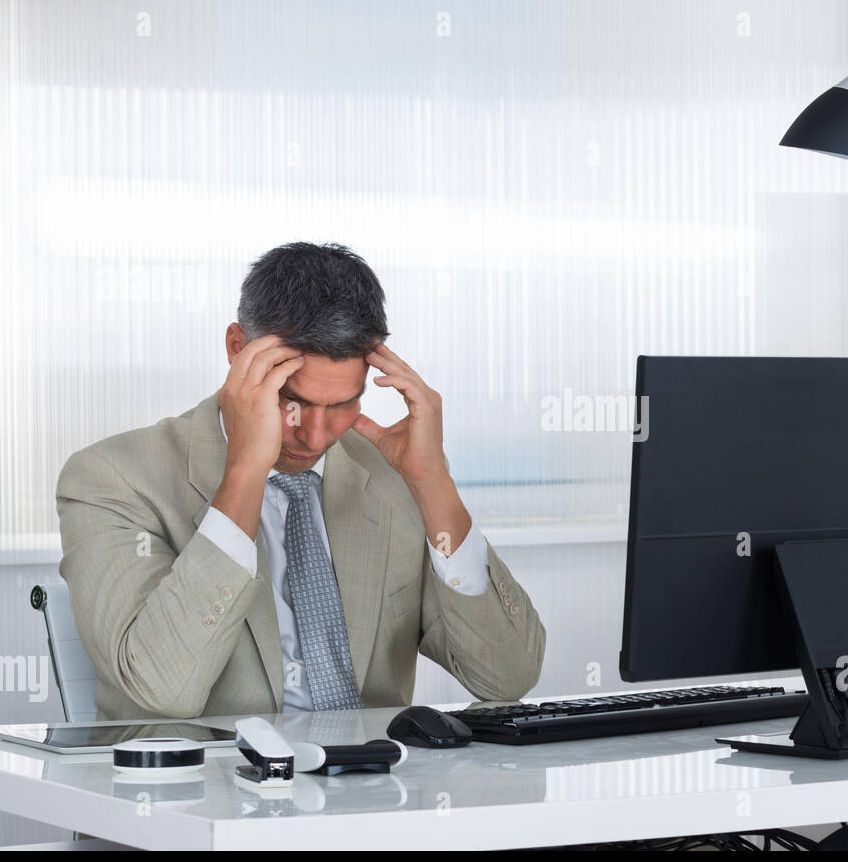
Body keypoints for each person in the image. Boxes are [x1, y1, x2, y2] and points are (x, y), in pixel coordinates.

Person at [56, 242, 545, 719]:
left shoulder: (392, 476)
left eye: (342, 405)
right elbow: (163, 690)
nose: (314, 436)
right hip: (202, 793)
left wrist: (433, 482)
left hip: (371, 790)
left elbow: (505, 678)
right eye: (291, 398)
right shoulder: (113, 477)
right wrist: (246, 470)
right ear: (236, 349)